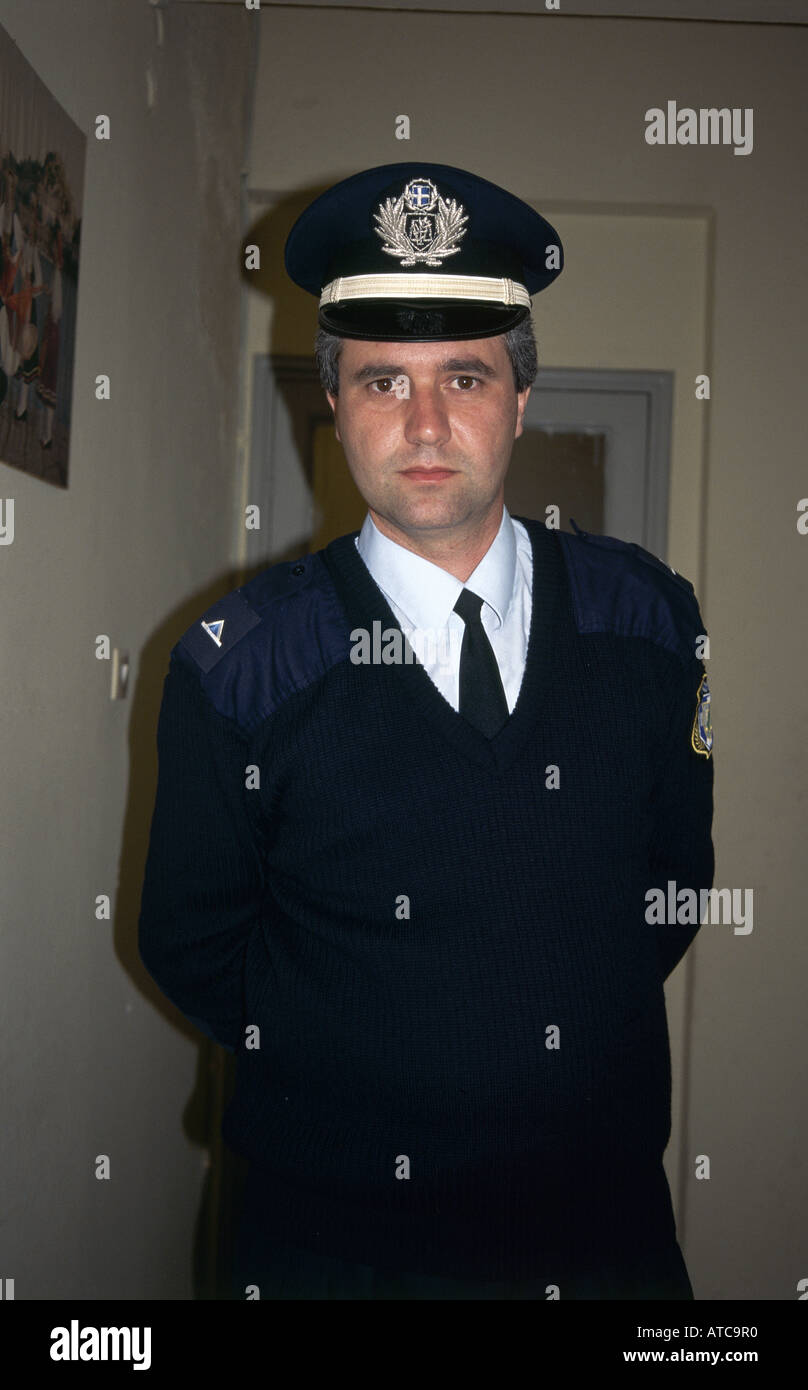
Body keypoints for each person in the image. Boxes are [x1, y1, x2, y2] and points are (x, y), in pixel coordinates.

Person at [138, 163, 715, 1301]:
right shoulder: (238, 661)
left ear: (519, 397)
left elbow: (670, 886)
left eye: (464, 375)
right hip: (330, 1257)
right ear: (335, 406)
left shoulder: (646, 621)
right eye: (380, 382)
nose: (427, 424)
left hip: (603, 1246)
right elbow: (193, 942)